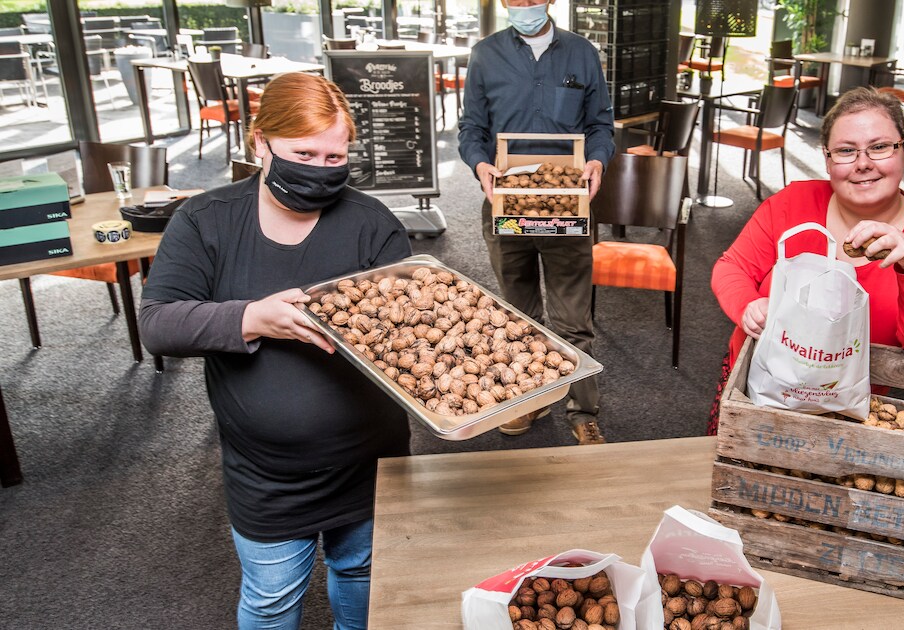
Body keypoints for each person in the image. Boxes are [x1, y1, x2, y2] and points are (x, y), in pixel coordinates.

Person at [139, 72, 412, 629]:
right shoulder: (206, 220)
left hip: (369, 460)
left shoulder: (372, 224)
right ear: (260, 142)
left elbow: (414, 328)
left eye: (335, 157)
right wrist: (251, 317)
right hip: (268, 473)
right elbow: (159, 324)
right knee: (271, 598)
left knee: (362, 574)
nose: (319, 168)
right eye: (303, 153)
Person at [708, 87, 904, 434]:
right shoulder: (791, 203)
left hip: (847, 413)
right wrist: (748, 305)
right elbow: (732, 267)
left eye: (879, 147)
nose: (863, 163)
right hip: (757, 388)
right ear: (828, 159)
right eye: (846, 151)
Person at [458, 0, 615, 445]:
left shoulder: (581, 52)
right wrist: (480, 165)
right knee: (518, 313)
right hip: (506, 203)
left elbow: (601, 125)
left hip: (567, 202)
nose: (525, 5)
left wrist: (597, 160)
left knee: (572, 318)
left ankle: (583, 410)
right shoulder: (485, 54)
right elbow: (471, 129)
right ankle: (530, 399)